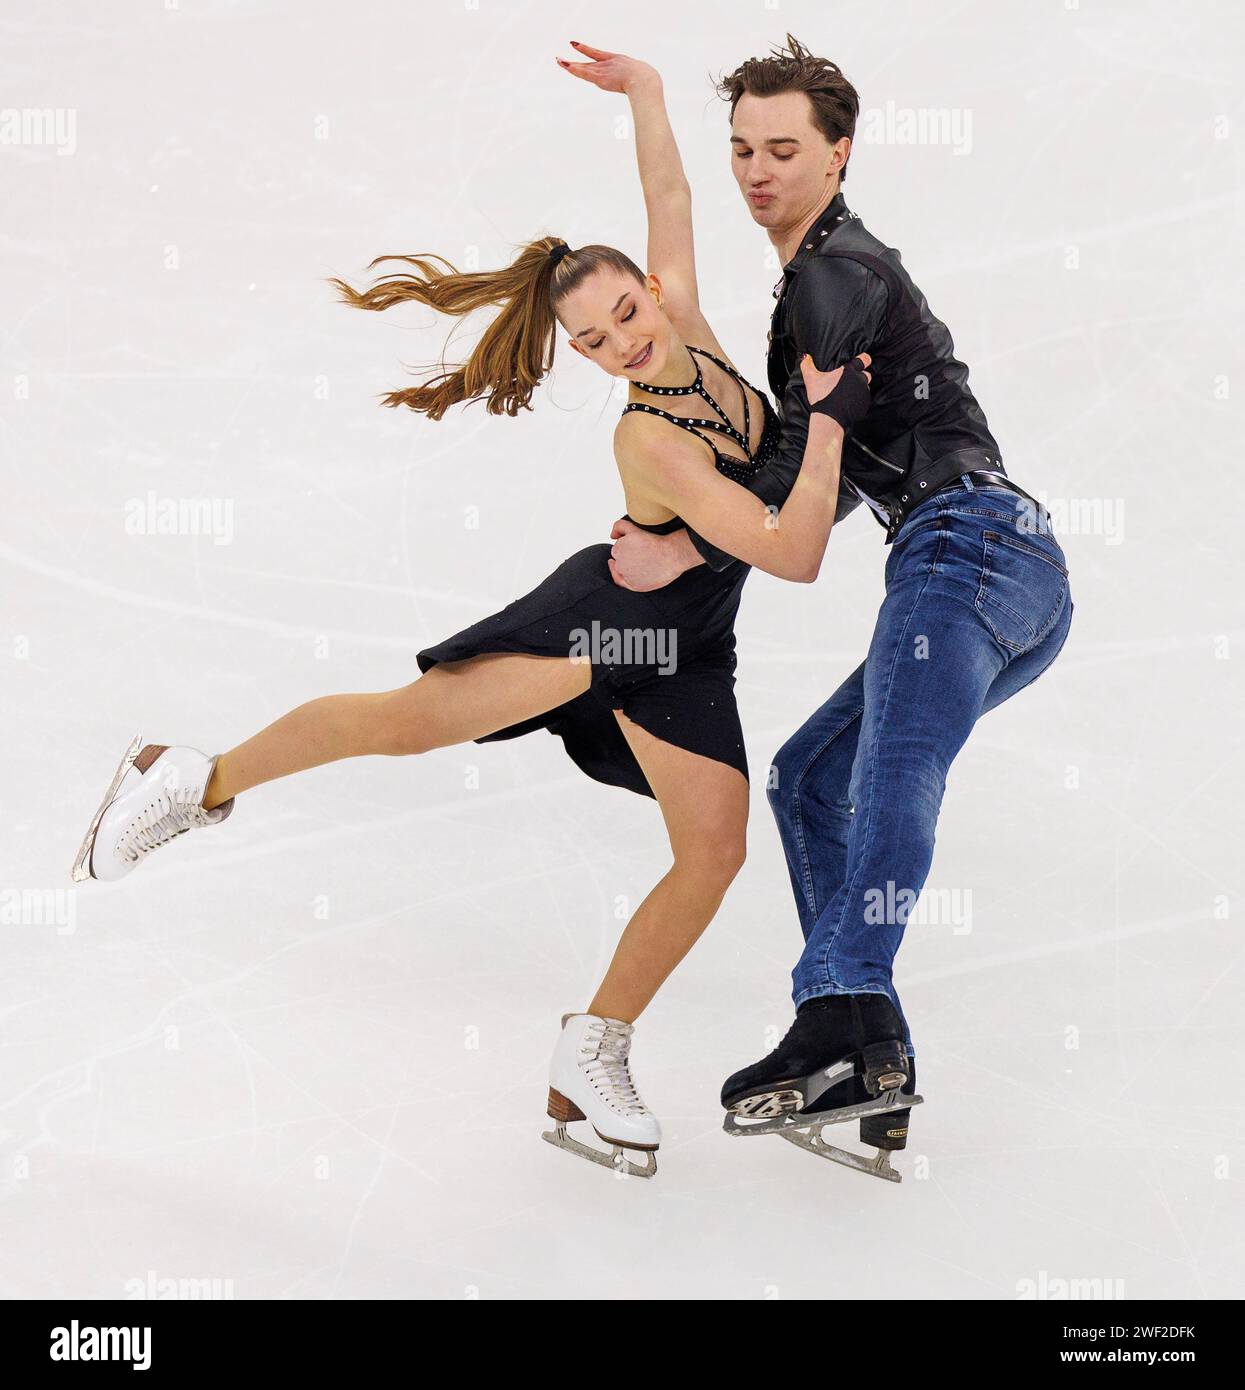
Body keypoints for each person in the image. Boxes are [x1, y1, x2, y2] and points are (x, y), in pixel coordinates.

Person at [70, 49, 874, 1182]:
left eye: (625, 312)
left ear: (649, 289)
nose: (624, 343)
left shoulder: (684, 317)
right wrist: (832, 423)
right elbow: (793, 553)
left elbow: (672, 198)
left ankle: (591, 1047)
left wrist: (648, 94)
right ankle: (190, 778)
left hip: (690, 640)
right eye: (595, 343)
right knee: (409, 723)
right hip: (607, 626)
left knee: (714, 847)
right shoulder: (644, 433)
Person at [571, 37, 1075, 1182]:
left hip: (967, 552)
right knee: (811, 776)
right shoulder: (818, 280)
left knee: (896, 769)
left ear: (839, 155)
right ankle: (874, 1049)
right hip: (1006, 573)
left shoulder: (831, 281)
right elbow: (819, 479)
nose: (759, 169)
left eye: (785, 149)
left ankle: (840, 1008)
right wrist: (649, 95)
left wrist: (677, 545)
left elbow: (802, 484)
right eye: (744, 147)